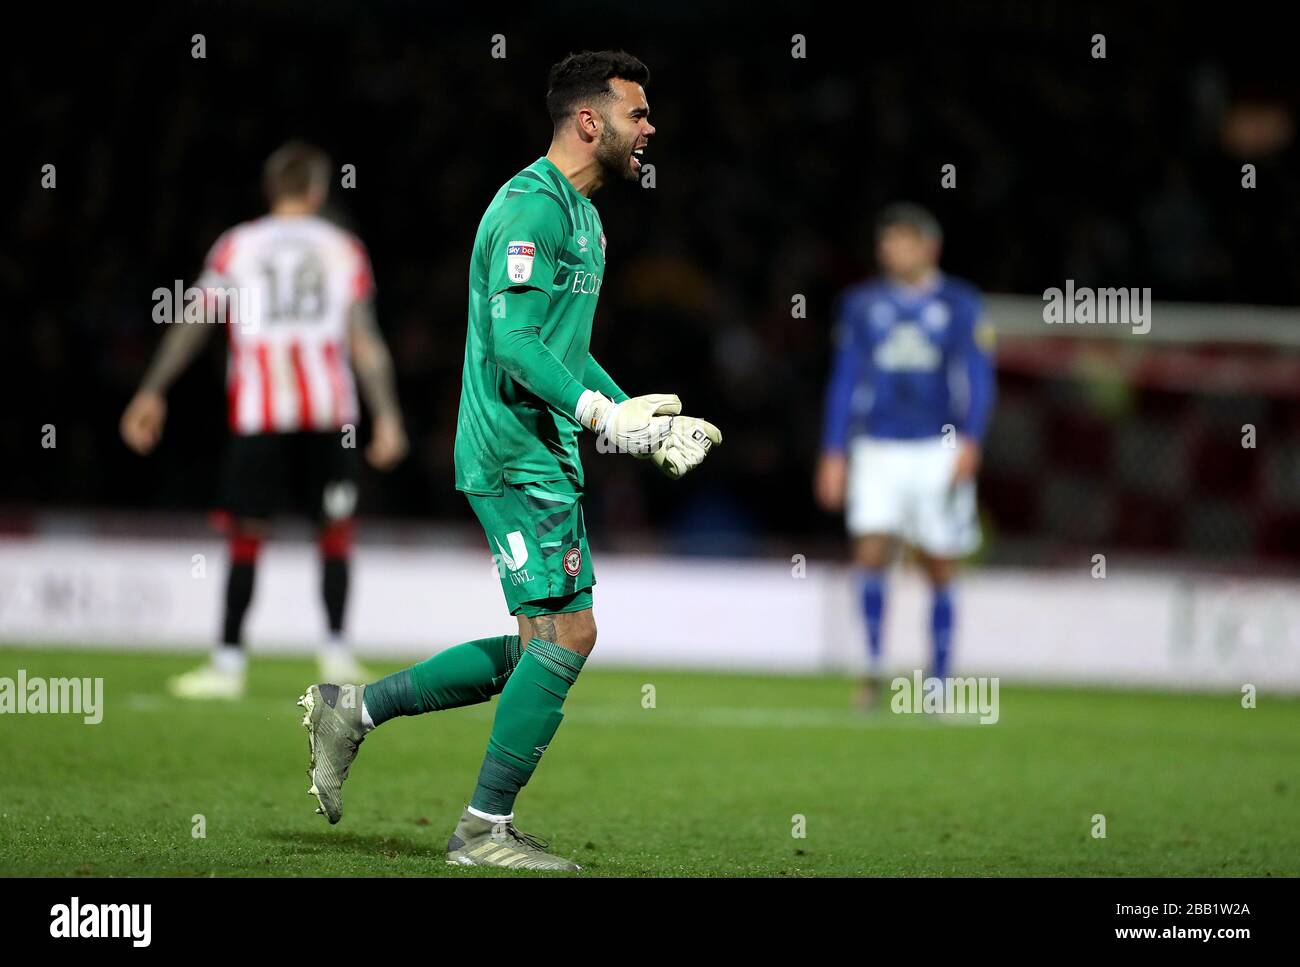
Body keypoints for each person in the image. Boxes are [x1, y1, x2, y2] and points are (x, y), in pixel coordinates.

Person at [296, 50, 721, 871]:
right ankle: (482, 829)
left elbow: (564, 348)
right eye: (638, 113)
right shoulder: (530, 209)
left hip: (541, 448)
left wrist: (637, 418)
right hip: (513, 451)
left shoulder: (586, 219)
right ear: (589, 121)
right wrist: (602, 415)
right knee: (570, 634)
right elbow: (516, 343)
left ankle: (352, 709)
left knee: (539, 646)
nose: (650, 128)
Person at [121, 142, 407, 699]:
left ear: (270, 189)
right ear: (319, 190)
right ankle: (337, 654)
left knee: (246, 533)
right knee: (335, 530)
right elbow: (365, 341)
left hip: (259, 414)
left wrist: (152, 391)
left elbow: (193, 319)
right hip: (330, 413)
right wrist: (388, 417)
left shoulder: (237, 246)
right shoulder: (342, 248)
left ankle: (227, 664)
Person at [815, 203, 995, 707]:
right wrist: (833, 450)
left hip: (938, 448)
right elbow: (846, 379)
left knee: (939, 560)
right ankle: (873, 669)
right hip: (876, 445)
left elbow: (977, 377)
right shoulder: (861, 304)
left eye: (901, 240)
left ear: (928, 247)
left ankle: (938, 680)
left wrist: (973, 438)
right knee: (871, 552)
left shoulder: (961, 303)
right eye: (886, 241)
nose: (889, 249)